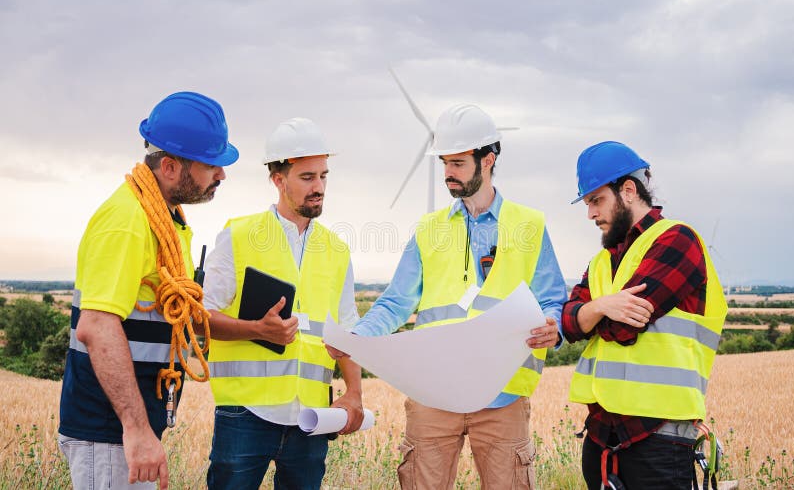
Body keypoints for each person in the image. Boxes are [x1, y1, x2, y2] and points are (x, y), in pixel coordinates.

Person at [329, 104, 567, 489]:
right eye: (444, 164)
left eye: (457, 163)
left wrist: (552, 326)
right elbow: (395, 302)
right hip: (433, 394)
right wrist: (359, 337)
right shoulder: (429, 229)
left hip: (503, 397)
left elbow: (552, 299)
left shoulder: (529, 225)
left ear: (487, 160)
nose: (447, 174)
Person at [58, 91, 239, 489]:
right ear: (171, 167)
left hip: (124, 427)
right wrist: (137, 431)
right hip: (108, 430)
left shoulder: (164, 220)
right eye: (212, 165)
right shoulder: (127, 221)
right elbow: (97, 327)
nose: (221, 175)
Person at [203, 117, 364, 490]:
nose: (320, 187)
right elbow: (201, 319)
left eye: (324, 176)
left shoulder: (337, 250)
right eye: (308, 177)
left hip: (310, 419)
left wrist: (354, 393)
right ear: (278, 179)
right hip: (245, 414)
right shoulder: (239, 234)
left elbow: (347, 331)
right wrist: (256, 330)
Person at [561, 141, 728, 489]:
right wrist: (601, 307)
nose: (590, 213)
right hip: (600, 438)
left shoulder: (678, 240)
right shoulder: (602, 261)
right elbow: (568, 323)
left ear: (628, 190)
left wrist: (589, 314)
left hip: (660, 439)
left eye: (596, 200)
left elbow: (624, 328)